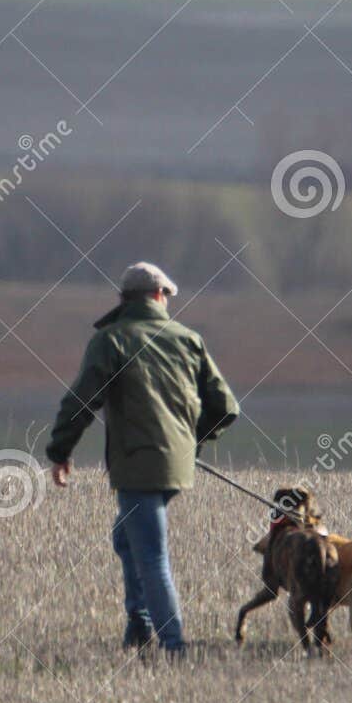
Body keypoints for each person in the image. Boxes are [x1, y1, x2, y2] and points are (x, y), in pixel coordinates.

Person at [46, 262, 239, 657]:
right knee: (126, 537)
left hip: (137, 465)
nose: (167, 302)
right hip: (173, 467)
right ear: (157, 296)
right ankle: (139, 626)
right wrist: (191, 442)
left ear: (124, 299)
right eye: (166, 295)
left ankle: (174, 646)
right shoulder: (188, 338)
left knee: (151, 555)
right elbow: (225, 407)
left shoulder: (112, 340)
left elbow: (82, 400)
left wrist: (60, 451)